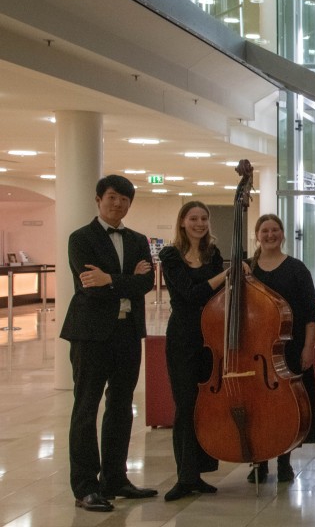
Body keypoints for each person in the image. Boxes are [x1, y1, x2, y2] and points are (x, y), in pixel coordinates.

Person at [61, 175, 156, 512]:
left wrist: (111, 279)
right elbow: (91, 286)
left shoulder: (137, 240)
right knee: (85, 409)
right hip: (90, 334)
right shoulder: (81, 238)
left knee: (121, 406)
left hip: (127, 333)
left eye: (124, 199)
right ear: (99, 199)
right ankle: (85, 486)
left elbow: (146, 284)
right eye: (112, 197)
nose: (118, 204)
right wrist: (125, 280)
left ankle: (115, 478)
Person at [158, 201, 228, 501]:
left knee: (205, 405)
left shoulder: (213, 254)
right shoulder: (170, 255)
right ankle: (184, 476)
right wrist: (225, 274)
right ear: (183, 222)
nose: (200, 223)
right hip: (183, 336)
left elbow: (217, 296)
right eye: (193, 218)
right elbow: (189, 294)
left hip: (210, 334)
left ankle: (198, 473)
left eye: (204, 218)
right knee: (185, 404)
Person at [247, 214, 315, 483]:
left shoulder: (296, 268)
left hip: (288, 348)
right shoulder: (247, 268)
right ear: (257, 234)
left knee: (285, 407)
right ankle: (258, 460)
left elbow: (311, 313)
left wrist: (307, 348)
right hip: (253, 351)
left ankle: (284, 460)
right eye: (265, 230)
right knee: (255, 407)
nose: (270, 235)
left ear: (283, 234)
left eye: (275, 230)